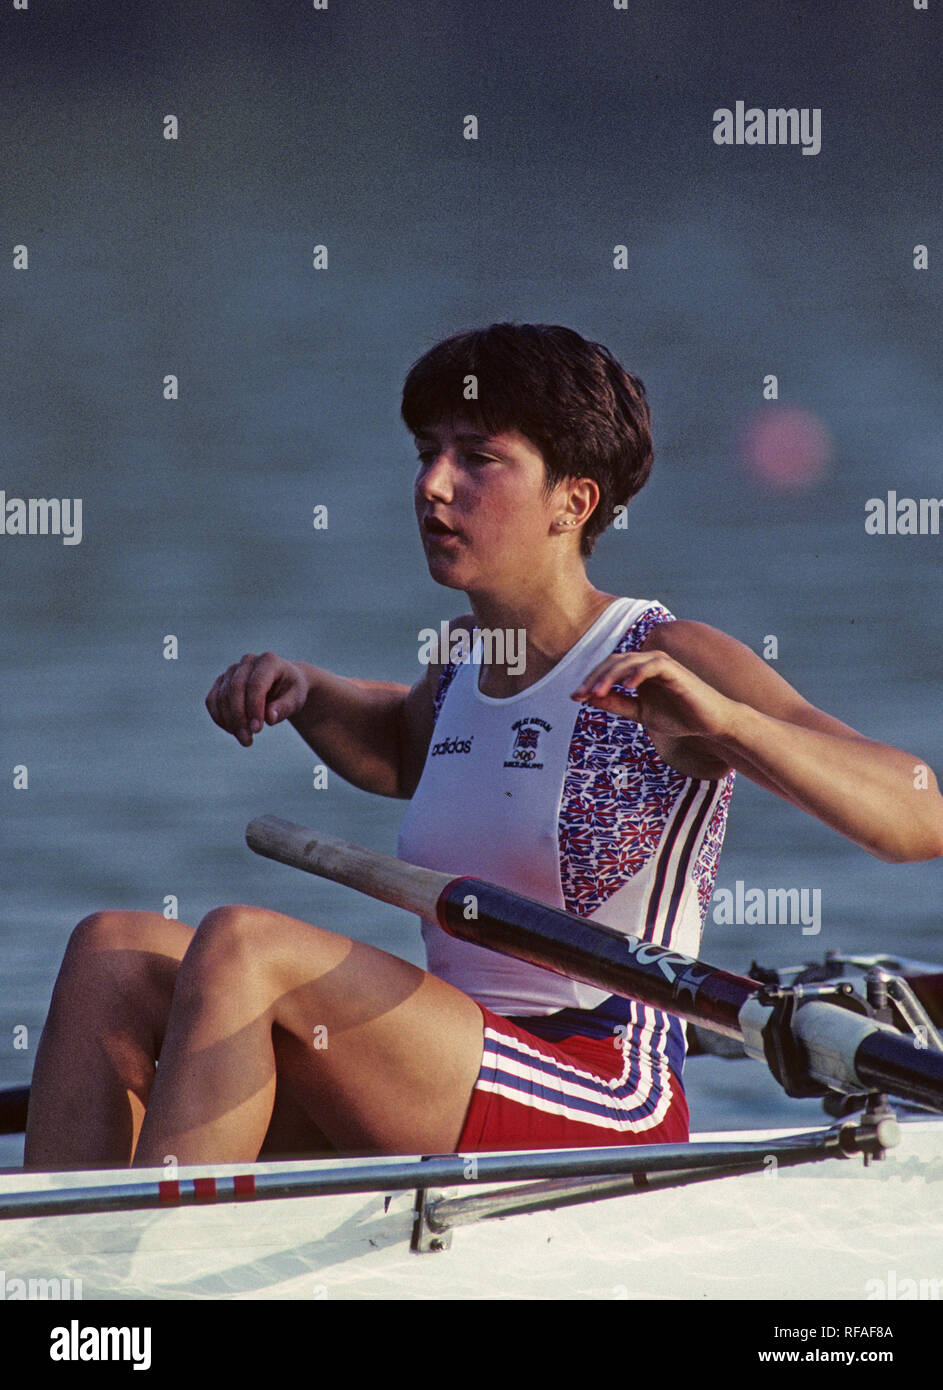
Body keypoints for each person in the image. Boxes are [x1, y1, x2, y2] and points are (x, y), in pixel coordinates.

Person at [24, 322, 943, 1170]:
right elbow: (401, 748)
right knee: (114, 948)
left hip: (601, 1083)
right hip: (454, 1053)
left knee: (246, 946)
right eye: (429, 454)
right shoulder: (466, 658)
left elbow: (916, 811)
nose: (432, 485)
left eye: (478, 460)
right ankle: (63, 1280)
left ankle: (151, 1274)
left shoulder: (666, 656)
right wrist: (310, 692)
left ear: (571, 502)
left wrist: (731, 726)